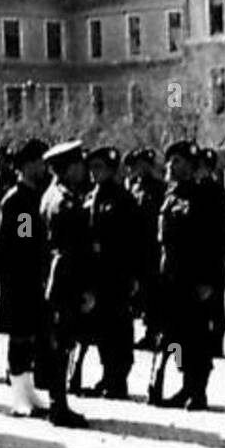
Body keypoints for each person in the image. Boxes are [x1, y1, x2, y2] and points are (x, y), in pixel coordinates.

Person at [149, 140, 224, 410]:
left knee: (197, 338)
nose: (170, 166)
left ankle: (198, 390)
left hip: (195, 281)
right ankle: (185, 385)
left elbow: (219, 244)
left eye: (177, 161)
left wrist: (211, 281)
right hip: (171, 280)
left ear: (191, 167)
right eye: (169, 161)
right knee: (175, 336)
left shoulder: (205, 196)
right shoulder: (170, 197)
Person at [0, 138, 51, 419]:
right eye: (40, 162)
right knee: (19, 339)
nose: (44, 167)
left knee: (31, 338)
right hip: (20, 280)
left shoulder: (34, 196)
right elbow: (21, 241)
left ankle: (28, 392)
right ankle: (19, 397)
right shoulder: (18, 201)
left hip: (31, 279)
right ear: (27, 165)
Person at [38, 141, 93, 428]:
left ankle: (57, 402)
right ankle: (58, 406)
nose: (82, 169)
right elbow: (75, 249)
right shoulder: (66, 202)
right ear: (68, 167)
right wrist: (85, 289)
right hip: (66, 278)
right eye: (79, 164)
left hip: (55, 275)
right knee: (62, 344)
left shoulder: (50, 196)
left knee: (59, 343)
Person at [83, 145, 141, 399]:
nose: (94, 173)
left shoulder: (123, 200)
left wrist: (134, 276)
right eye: (92, 167)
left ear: (111, 170)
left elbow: (135, 241)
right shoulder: (90, 197)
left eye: (99, 168)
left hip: (117, 274)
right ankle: (107, 375)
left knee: (119, 331)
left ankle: (119, 379)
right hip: (96, 275)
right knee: (101, 330)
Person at [196, 147, 225, 358]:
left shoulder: (217, 195)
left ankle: (216, 341)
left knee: (216, 304)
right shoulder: (193, 192)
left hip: (214, 258)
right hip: (203, 258)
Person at [126, 147, 165, 349]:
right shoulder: (133, 188)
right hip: (138, 248)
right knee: (142, 291)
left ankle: (155, 332)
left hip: (153, 248)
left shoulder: (160, 189)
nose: (139, 169)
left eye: (142, 165)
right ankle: (148, 329)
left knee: (155, 291)